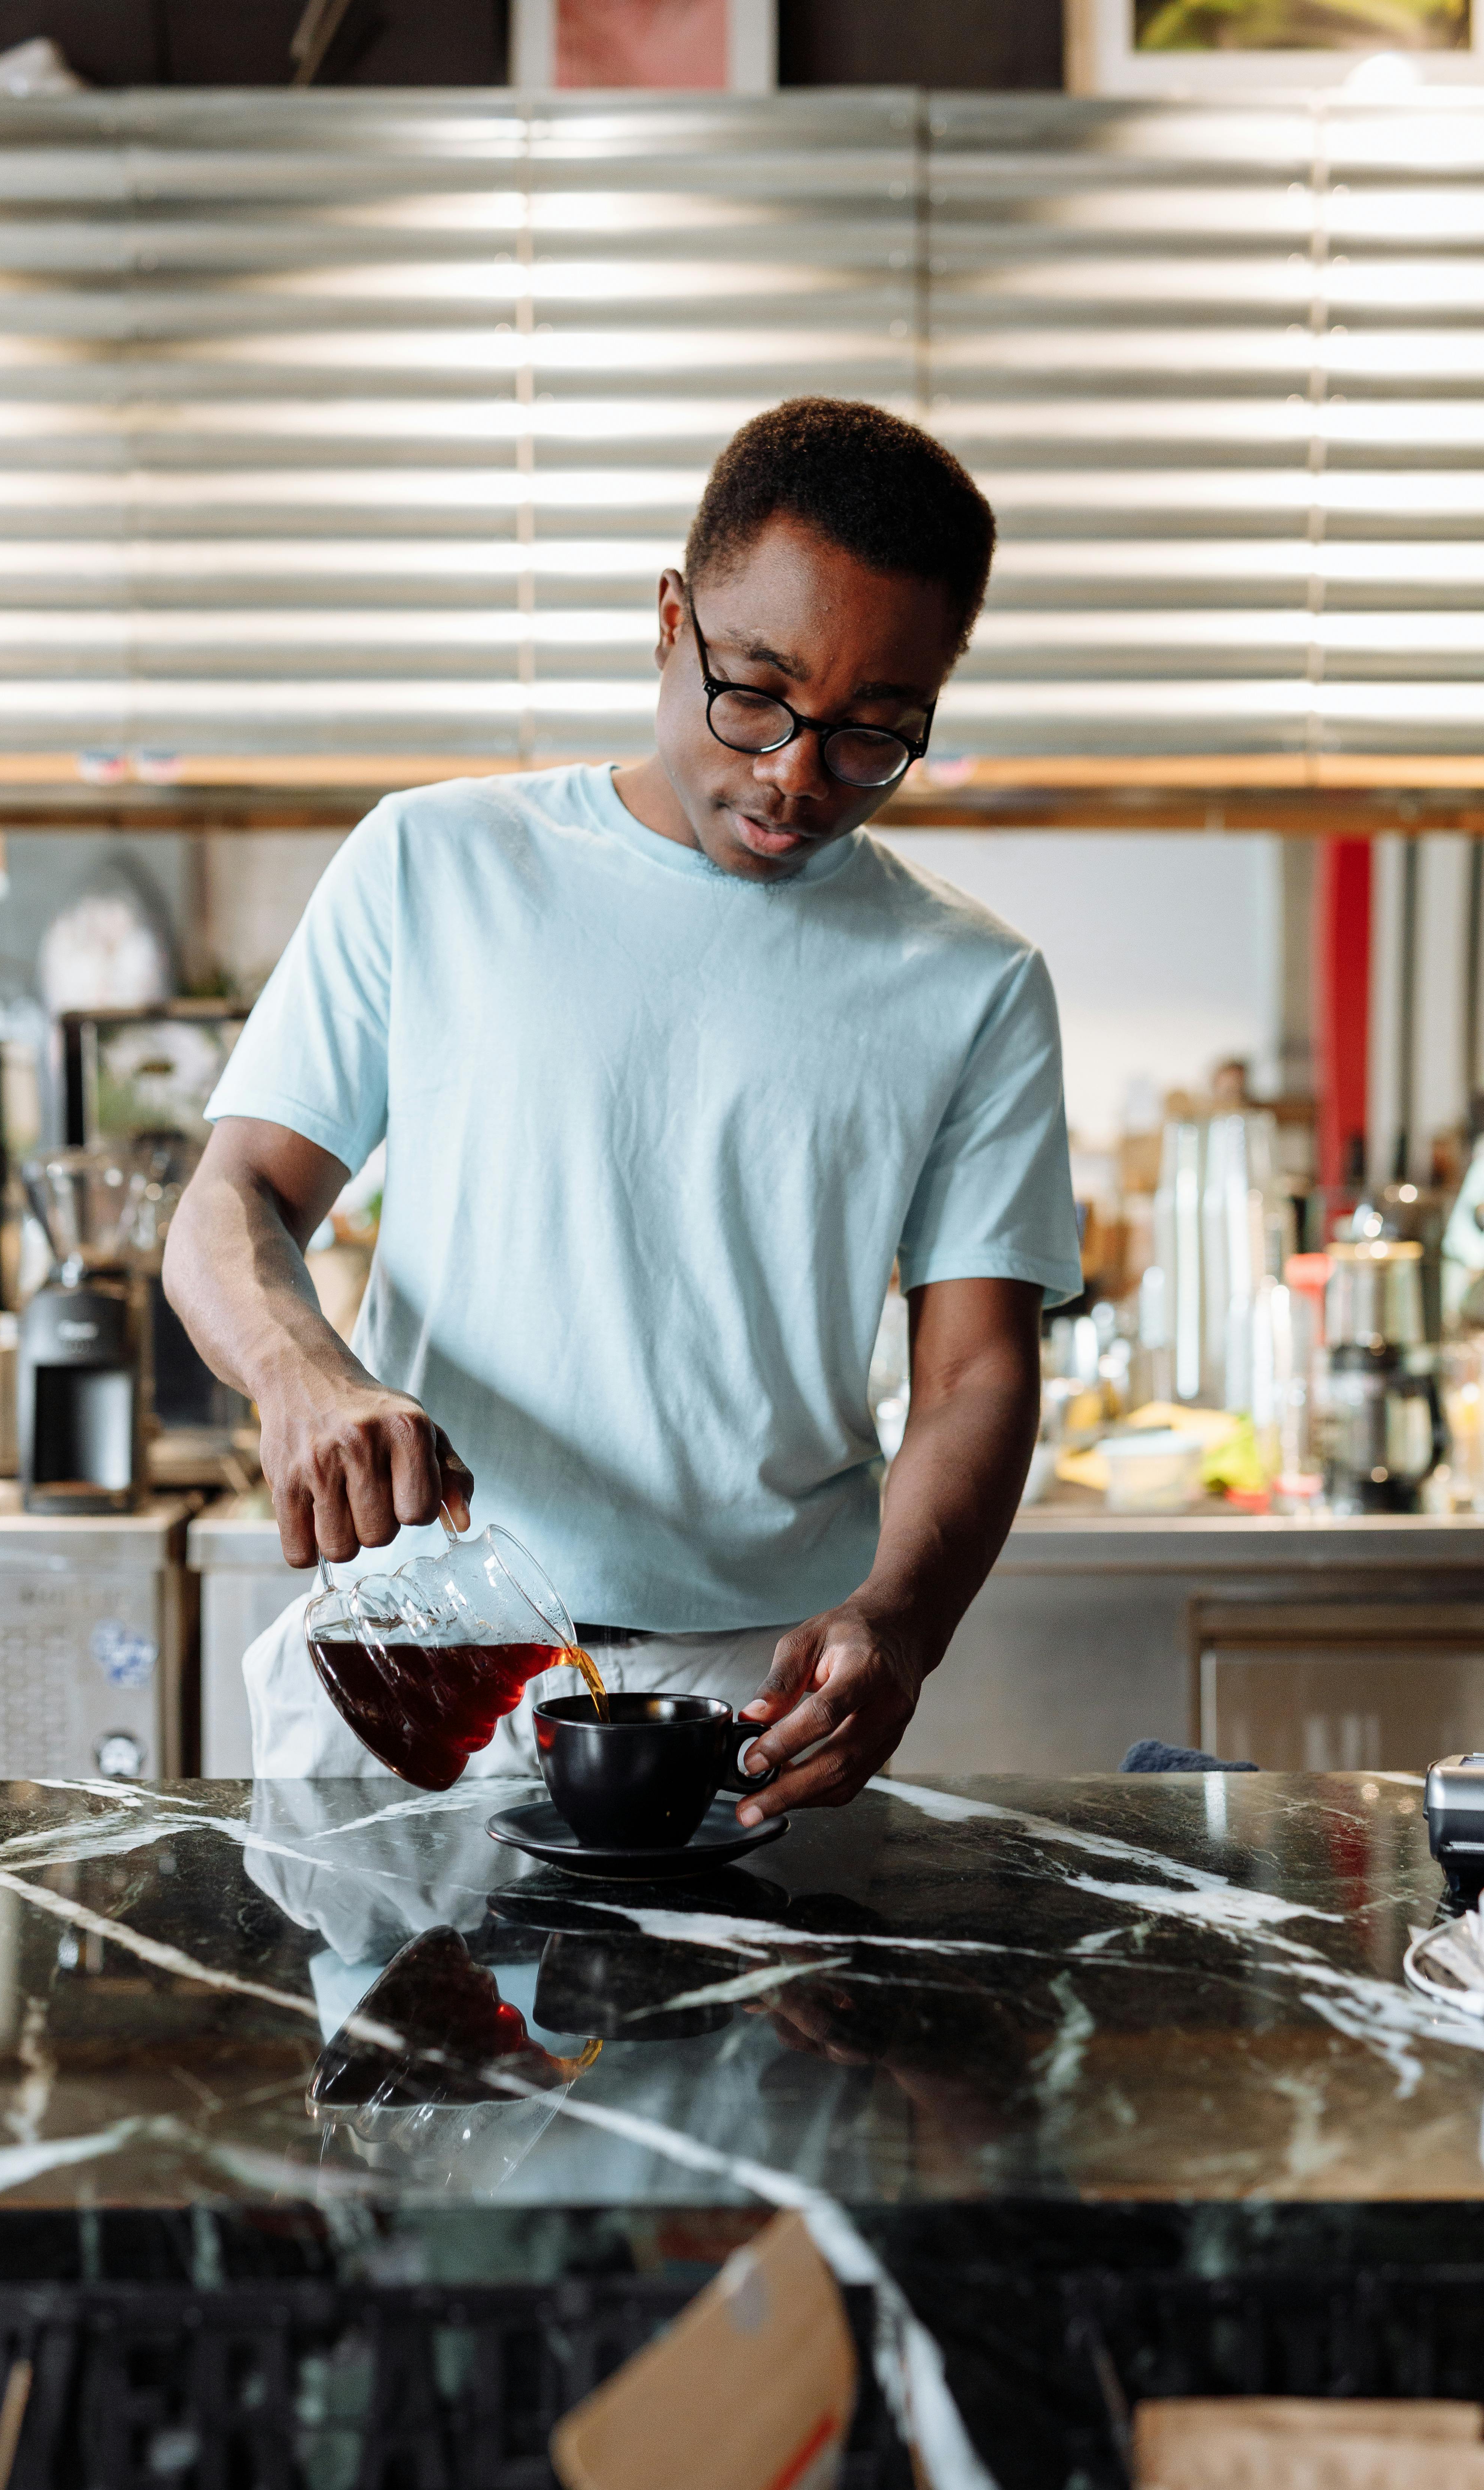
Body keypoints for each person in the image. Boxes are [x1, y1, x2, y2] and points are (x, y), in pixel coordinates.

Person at [164, 396, 1083, 1817]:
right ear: (671, 621)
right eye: (756, 693)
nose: (793, 773)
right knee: (387, 2044)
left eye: (870, 735)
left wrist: (902, 1620)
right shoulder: (436, 863)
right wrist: (305, 1378)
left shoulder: (974, 984)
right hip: (416, 1655)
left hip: (754, 1697)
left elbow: (973, 1375)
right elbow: (232, 1204)